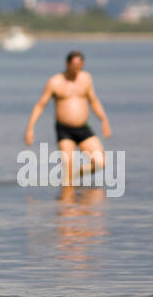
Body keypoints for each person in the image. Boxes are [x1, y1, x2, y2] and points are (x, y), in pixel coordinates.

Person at [24, 50, 113, 193]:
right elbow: (40, 105)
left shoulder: (86, 79)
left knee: (100, 162)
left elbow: (93, 101)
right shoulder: (55, 82)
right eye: (74, 66)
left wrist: (104, 120)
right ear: (67, 64)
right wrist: (30, 129)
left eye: (80, 67)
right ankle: (67, 206)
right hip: (64, 130)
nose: (77, 70)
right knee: (68, 165)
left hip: (83, 128)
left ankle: (75, 179)